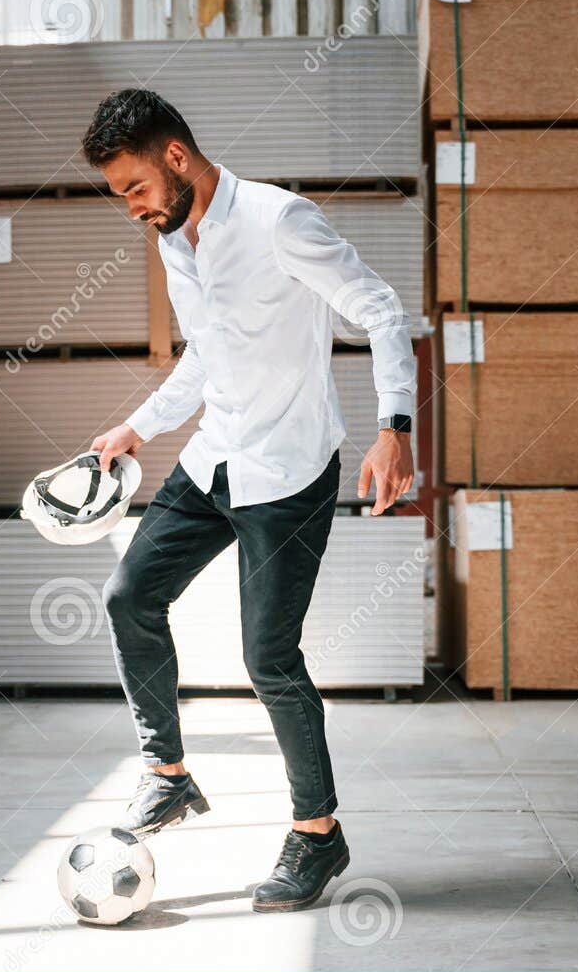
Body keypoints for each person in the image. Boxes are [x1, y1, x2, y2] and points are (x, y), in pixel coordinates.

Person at [82, 89, 416, 913]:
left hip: (289, 470)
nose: (130, 207)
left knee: (268, 657)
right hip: (215, 457)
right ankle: (168, 775)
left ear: (175, 158)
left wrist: (395, 428)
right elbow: (206, 353)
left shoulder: (278, 221)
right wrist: (139, 426)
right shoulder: (173, 239)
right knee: (128, 595)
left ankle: (317, 834)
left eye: (132, 187)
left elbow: (379, 308)